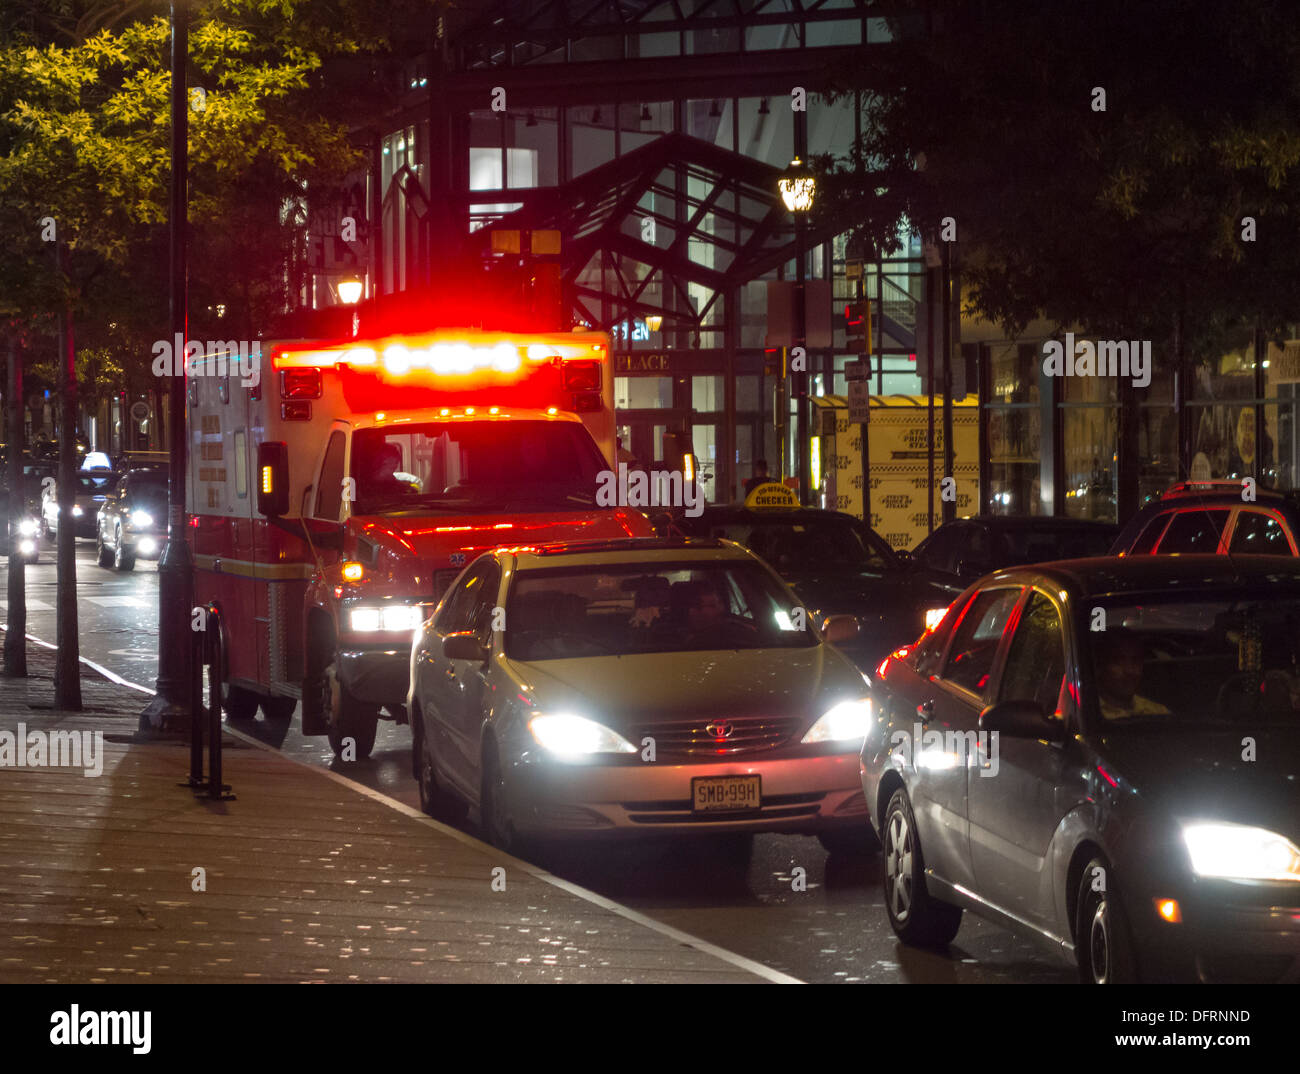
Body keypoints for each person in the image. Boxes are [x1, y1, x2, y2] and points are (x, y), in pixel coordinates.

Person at [1093, 630, 1170, 721]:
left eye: (1135, 661)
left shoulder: (1158, 713)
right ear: (1100, 666)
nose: (1129, 670)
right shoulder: (1090, 714)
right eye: (1119, 661)